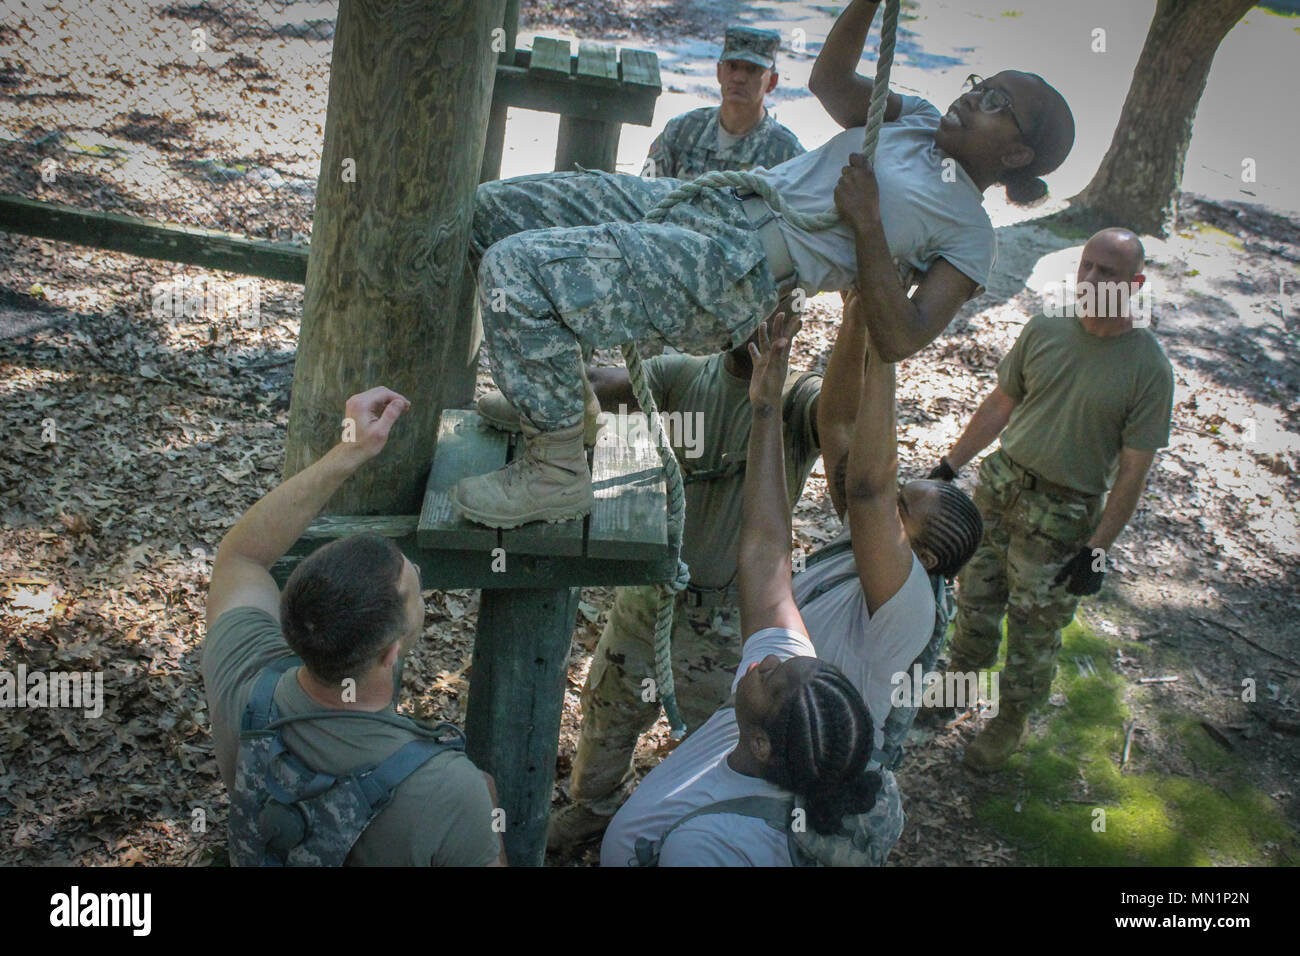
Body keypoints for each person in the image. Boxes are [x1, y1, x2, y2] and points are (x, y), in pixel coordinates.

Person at [450, 0, 1075, 529]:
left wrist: (869, 225)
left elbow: (902, 334)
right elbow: (830, 83)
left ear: (1019, 152)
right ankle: (562, 404)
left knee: (519, 270)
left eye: (996, 102)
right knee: (490, 211)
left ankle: (556, 468)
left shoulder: (972, 236)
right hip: (712, 203)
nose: (972, 98)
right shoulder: (910, 118)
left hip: (736, 271)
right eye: (979, 84)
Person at [600, 312, 879, 866]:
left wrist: (859, 323)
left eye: (772, 679)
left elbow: (840, 422)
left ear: (762, 746)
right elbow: (766, 552)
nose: (765, 663)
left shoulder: (709, 847)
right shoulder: (777, 721)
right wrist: (763, 408)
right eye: (790, 662)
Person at [202, 387, 505, 866]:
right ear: (390, 654)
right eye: (414, 586)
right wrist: (481, 810)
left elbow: (242, 554)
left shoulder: (241, 675)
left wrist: (348, 452)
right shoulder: (448, 790)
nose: (418, 578)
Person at [930, 228, 1174, 772]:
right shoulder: (1046, 328)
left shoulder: (1147, 367)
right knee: (976, 598)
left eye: (1107, 273)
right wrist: (950, 465)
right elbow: (1001, 404)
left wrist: (1099, 549)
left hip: (1065, 515)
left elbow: (1133, 474)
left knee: (1035, 626)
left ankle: (1010, 719)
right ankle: (957, 686)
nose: (1090, 279)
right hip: (1000, 487)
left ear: (1134, 284)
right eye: (1086, 265)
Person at [777, 288, 984, 861]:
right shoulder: (874, 549)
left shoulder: (910, 599)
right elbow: (837, 423)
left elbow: (868, 490)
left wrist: (889, 347)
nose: (889, 501)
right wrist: (859, 317)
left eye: (903, 508)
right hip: (783, 734)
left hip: (813, 779)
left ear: (930, 559)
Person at [644, 26, 805, 182]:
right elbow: (646, 191)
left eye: (752, 69)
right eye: (732, 66)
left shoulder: (787, 154)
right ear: (719, 72)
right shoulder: (681, 131)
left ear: (772, 82)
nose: (739, 78)